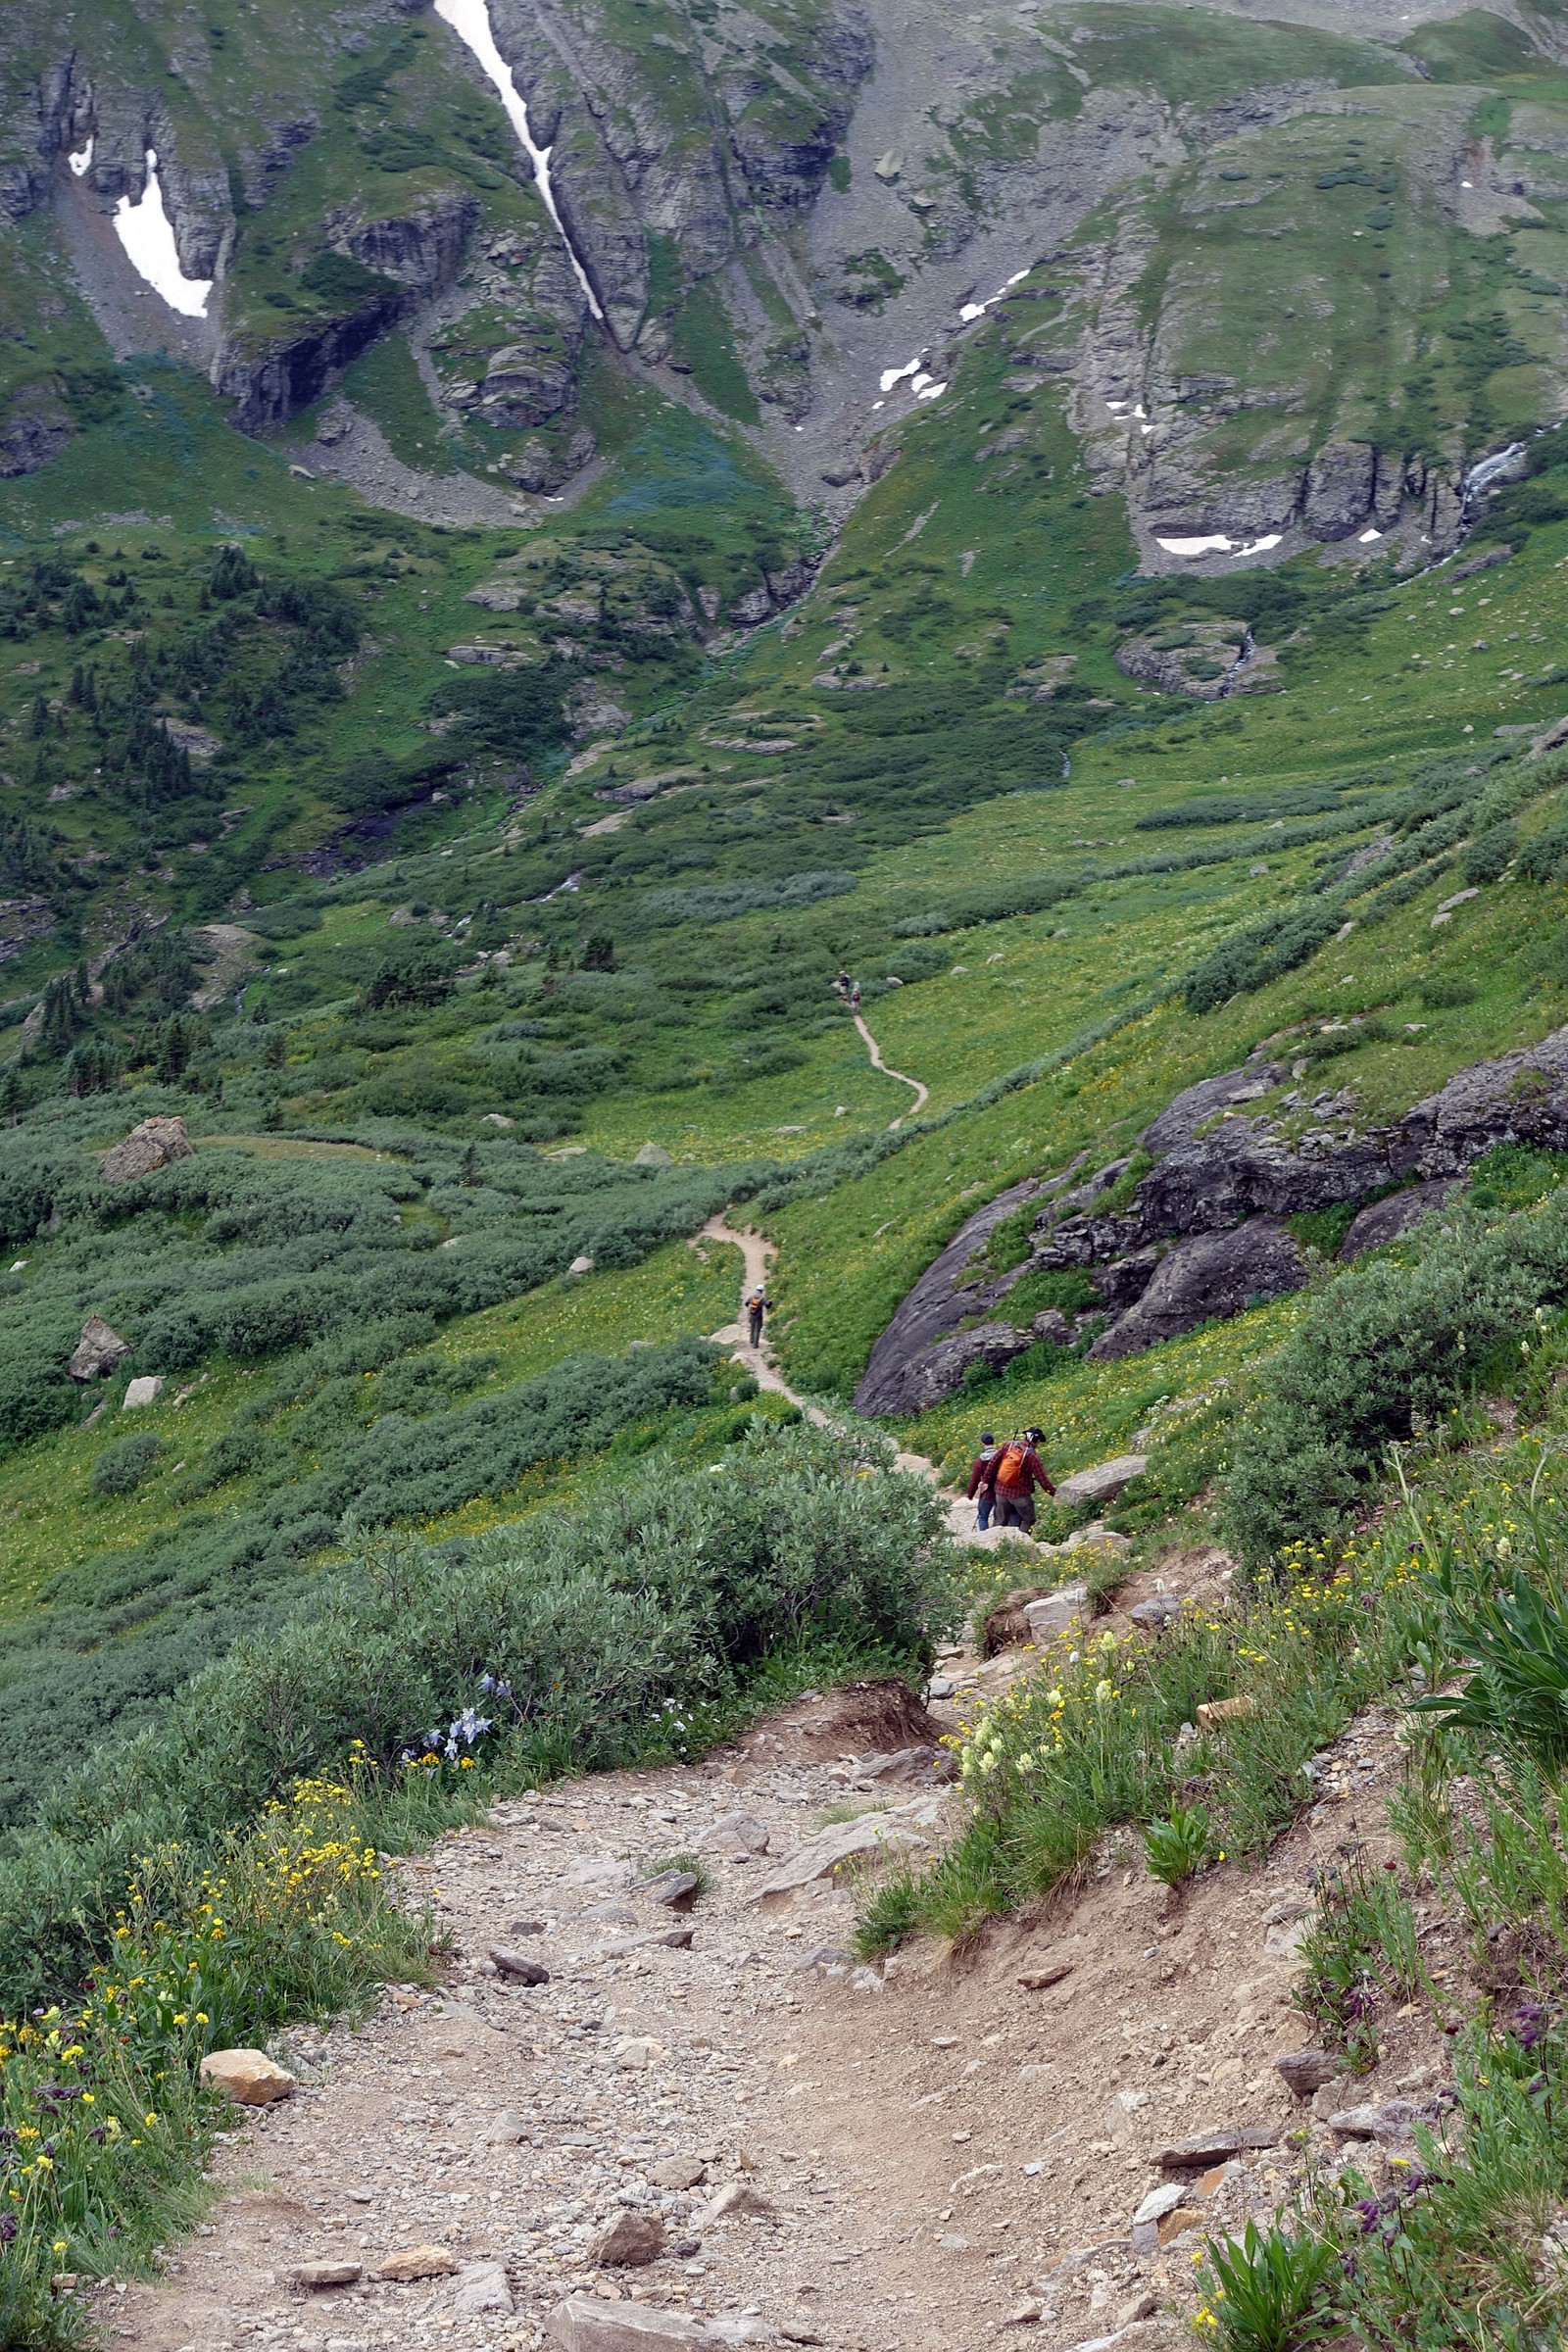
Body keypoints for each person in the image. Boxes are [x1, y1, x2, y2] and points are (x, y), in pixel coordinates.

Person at [992, 1427, 1055, 1533]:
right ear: (1037, 1441)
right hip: (1020, 1496)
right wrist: (1054, 1493)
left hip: (1001, 1492)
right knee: (1028, 1520)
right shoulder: (1032, 1456)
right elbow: (1042, 1480)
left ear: (1026, 1436)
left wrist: (986, 1481)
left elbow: (993, 1462)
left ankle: (998, 1540)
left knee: (1001, 1522)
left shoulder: (1009, 1445)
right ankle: (1020, 1539)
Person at [966, 1431, 1004, 1533]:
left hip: (987, 1493)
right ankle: (997, 1536)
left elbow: (975, 1479)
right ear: (994, 1442)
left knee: (983, 1517)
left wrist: (970, 1494)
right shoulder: (1001, 1457)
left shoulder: (980, 1461)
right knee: (998, 1518)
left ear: (982, 1443)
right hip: (1001, 1492)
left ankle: (984, 1537)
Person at [746, 1284, 772, 1348]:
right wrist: (770, 1303)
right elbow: (768, 1306)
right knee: (757, 1330)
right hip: (758, 1316)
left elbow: (746, 1304)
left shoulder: (751, 1297)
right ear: (762, 1291)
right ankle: (755, 1344)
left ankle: (751, 1340)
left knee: (752, 1327)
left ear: (757, 1289)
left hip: (751, 1314)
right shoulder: (762, 1298)